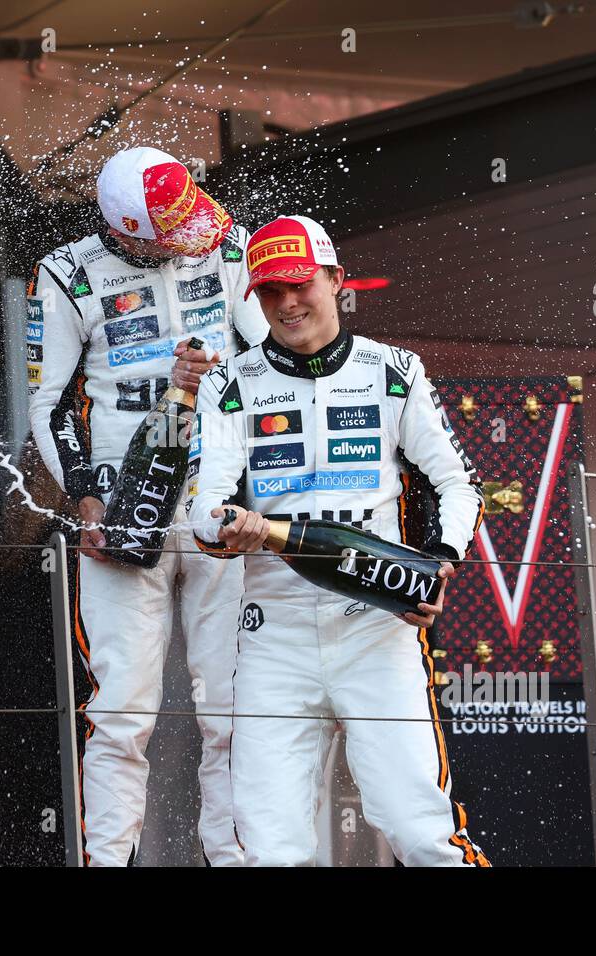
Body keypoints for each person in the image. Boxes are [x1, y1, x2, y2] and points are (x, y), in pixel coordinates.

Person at [190, 215, 491, 866]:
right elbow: (202, 508)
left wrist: (439, 562)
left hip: (376, 631)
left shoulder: (395, 372)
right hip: (273, 640)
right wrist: (226, 523)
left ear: (335, 279)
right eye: (269, 291)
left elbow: (459, 484)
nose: (287, 303)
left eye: (300, 285)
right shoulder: (228, 384)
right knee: (271, 852)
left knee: (420, 834)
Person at [26, 146, 268, 865]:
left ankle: (234, 859)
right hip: (124, 508)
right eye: (171, 227)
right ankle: (110, 861)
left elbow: (269, 359)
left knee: (232, 709)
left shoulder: (227, 242)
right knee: (122, 711)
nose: (194, 232)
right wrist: (87, 499)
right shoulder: (66, 272)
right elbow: (50, 402)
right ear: (127, 228)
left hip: (219, 498)